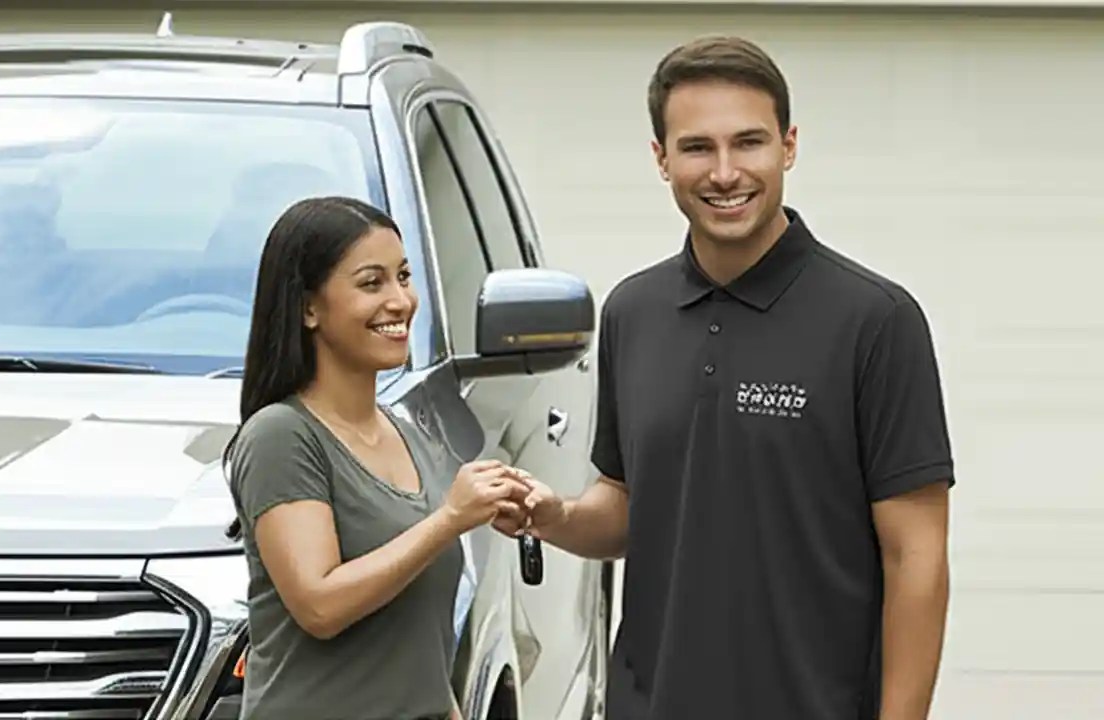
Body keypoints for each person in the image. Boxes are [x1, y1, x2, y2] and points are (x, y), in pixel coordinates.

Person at [495, 36, 955, 720]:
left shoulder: (875, 321)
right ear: (661, 158)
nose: (726, 172)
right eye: (697, 148)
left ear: (789, 146)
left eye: (749, 143)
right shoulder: (632, 311)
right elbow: (627, 503)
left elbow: (916, 557)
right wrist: (555, 516)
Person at [224, 196, 528, 720]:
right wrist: (449, 520)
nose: (401, 301)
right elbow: (319, 604)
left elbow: (420, 653)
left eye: (404, 277)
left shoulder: (410, 435)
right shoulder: (281, 436)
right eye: (372, 283)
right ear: (308, 308)